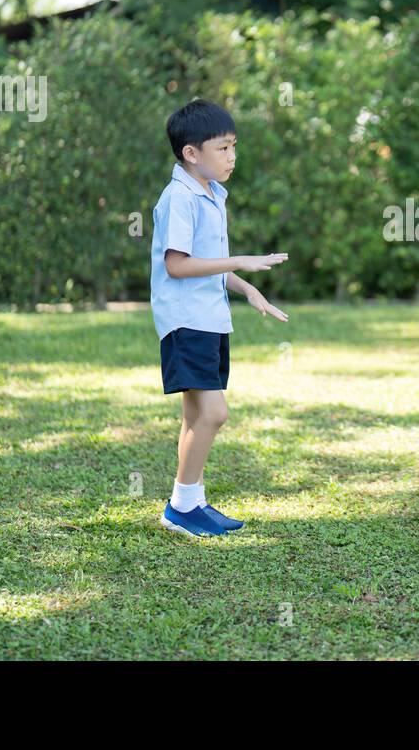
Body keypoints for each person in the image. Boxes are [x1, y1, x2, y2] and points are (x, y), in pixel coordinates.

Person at [150, 99, 289, 538]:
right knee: (214, 413)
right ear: (192, 153)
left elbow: (208, 263)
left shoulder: (212, 194)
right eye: (223, 148)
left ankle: (190, 502)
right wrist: (242, 260)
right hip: (186, 320)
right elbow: (178, 265)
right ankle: (180, 505)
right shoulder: (180, 198)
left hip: (209, 318)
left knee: (194, 416)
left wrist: (248, 289)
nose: (232, 157)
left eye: (234, 146)